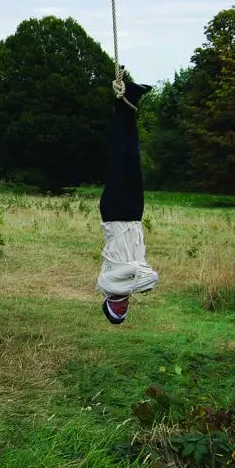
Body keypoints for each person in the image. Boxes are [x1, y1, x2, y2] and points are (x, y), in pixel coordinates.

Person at [97, 78, 159, 324]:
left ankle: (120, 104)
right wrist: (138, 276)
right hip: (134, 217)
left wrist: (137, 273)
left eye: (117, 310)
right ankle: (131, 98)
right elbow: (151, 278)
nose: (122, 307)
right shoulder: (130, 283)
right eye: (124, 312)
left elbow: (148, 275)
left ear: (109, 304)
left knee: (118, 155)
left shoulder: (106, 283)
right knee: (132, 156)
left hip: (114, 213)